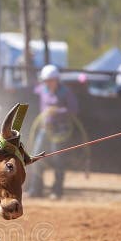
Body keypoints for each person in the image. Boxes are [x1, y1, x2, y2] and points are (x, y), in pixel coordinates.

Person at [27, 64, 79, 200]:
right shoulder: (42, 90)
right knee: (36, 157)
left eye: (50, 80)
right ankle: (35, 189)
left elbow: (74, 109)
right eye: (46, 81)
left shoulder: (65, 92)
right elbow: (32, 87)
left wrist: (57, 110)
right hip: (45, 128)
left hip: (59, 130)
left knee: (58, 159)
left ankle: (57, 190)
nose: (48, 83)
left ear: (56, 80)